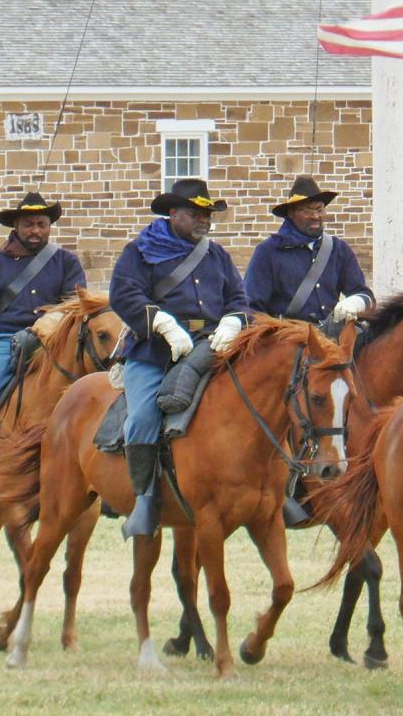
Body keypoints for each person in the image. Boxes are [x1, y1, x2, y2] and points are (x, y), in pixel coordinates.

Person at [108, 178, 249, 539]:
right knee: (143, 417)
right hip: (153, 351)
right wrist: (162, 324)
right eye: (195, 213)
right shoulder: (140, 252)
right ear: (173, 213)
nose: (203, 220)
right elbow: (123, 294)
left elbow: (239, 299)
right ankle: (144, 499)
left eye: (207, 214)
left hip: (210, 346)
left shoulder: (217, 255)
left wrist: (233, 322)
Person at [0, 192, 86, 445]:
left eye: (41, 224)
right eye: (28, 224)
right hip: (4, 341)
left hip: (55, 341)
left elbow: (75, 306)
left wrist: (47, 326)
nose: (35, 230)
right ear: (16, 226)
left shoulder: (67, 262)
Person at [243, 175, 374, 325]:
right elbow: (251, 308)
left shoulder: (339, 249)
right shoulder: (268, 251)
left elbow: (364, 294)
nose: (315, 216)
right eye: (307, 211)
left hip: (332, 335)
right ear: (291, 213)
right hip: (287, 335)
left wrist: (354, 303)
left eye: (319, 210)